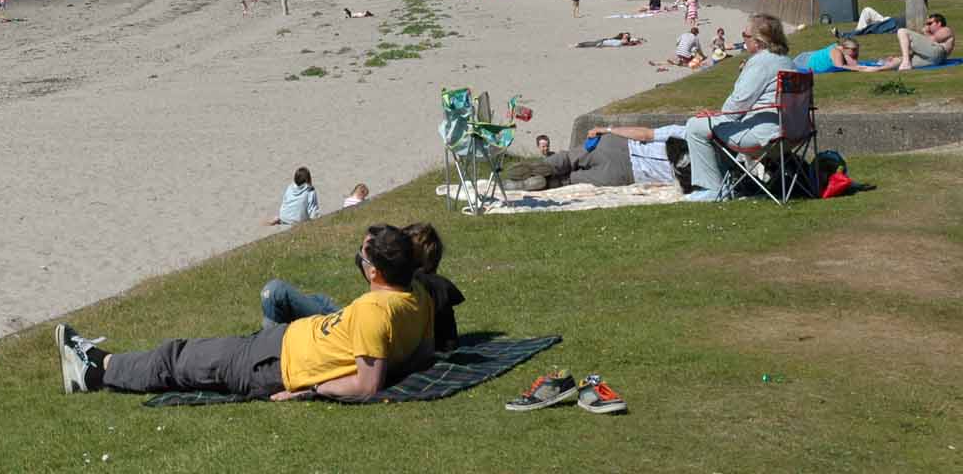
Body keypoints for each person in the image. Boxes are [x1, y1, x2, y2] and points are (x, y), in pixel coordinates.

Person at [56, 225, 435, 401]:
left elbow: (367, 386)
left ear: (374, 271)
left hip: (271, 364)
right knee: (192, 353)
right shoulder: (418, 295)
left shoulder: (374, 312)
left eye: (363, 253)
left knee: (179, 359)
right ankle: (101, 365)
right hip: (283, 343)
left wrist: (312, 390)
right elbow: (421, 356)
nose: (359, 255)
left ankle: (95, 369)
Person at [259, 222, 464, 352]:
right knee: (321, 300)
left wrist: (368, 253)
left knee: (276, 292)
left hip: (354, 333)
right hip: (358, 327)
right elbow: (448, 339)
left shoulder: (406, 288)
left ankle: (267, 351)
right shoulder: (430, 290)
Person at [681, 14, 799, 201]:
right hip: (795, 133)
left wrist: (716, 115)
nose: (743, 39)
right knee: (717, 126)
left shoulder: (761, 62)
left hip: (765, 136)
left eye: (745, 35)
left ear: (759, 41)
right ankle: (734, 179)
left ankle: (713, 188)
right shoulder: (788, 61)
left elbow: (737, 103)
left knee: (695, 126)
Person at [506, 125, 686, 191]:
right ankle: (528, 185)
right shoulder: (705, 175)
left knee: (569, 158)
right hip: (625, 174)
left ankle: (539, 167)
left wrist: (608, 130)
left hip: (617, 145)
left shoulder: (686, 133)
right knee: (569, 181)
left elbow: (645, 135)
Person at [794, 39, 895, 73]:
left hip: (811, 55)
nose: (856, 54)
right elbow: (841, 67)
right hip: (803, 61)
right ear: (846, 49)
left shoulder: (846, 51)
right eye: (854, 51)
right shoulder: (836, 52)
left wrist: (882, 62)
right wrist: (861, 69)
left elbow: (856, 64)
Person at [575, 32, 644, 48]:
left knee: (591, 44)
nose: (625, 36)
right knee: (591, 43)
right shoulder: (619, 39)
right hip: (604, 41)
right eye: (625, 35)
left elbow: (631, 42)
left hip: (604, 43)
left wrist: (638, 40)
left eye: (627, 36)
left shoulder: (625, 41)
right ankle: (577, 44)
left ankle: (578, 45)